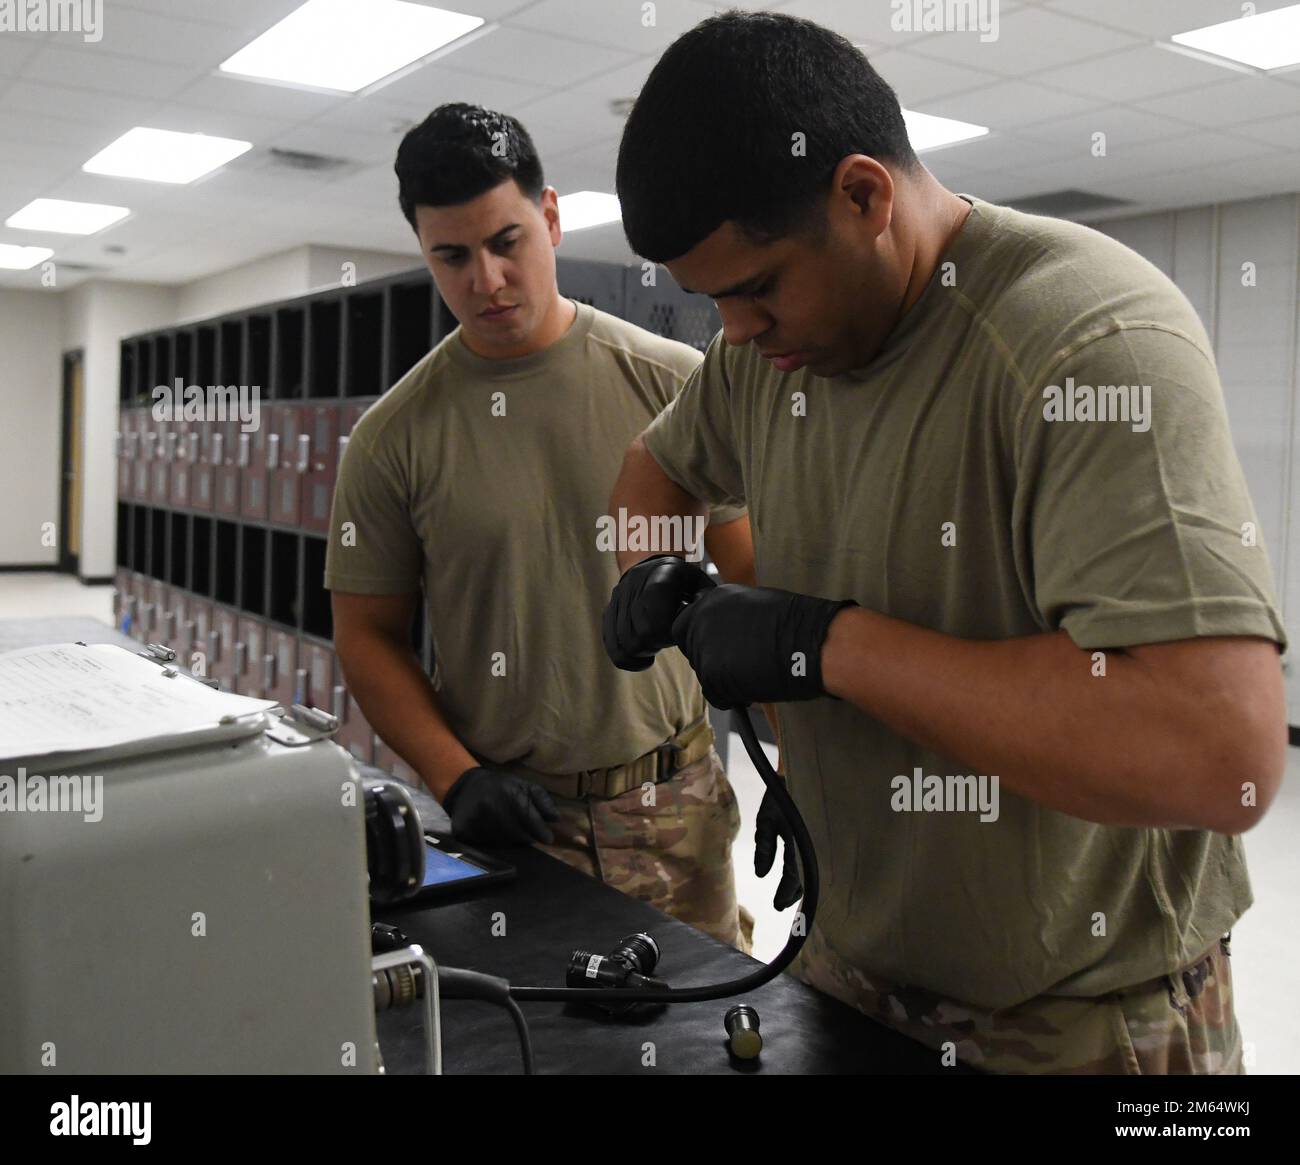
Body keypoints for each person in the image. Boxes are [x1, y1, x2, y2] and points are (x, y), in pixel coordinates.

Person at [603, 12, 1288, 1072]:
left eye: (756, 286)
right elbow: (657, 470)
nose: (733, 331)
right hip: (848, 969)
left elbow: (1217, 752)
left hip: (1085, 1019)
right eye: (711, 301)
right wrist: (672, 593)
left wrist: (819, 645)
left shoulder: (1086, 338)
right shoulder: (769, 354)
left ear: (864, 196)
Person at [324, 103, 755, 950]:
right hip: (518, 820)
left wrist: (806, 776)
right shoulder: (393, 436)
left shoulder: (676, 382)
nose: (484, 279)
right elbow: (366, 635)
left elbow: (755, 579)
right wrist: (456, 777)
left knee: (705, 1040)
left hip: (677, 809)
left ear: (550, 216)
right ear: (425, 253)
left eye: (506, 241)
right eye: (452, 255)